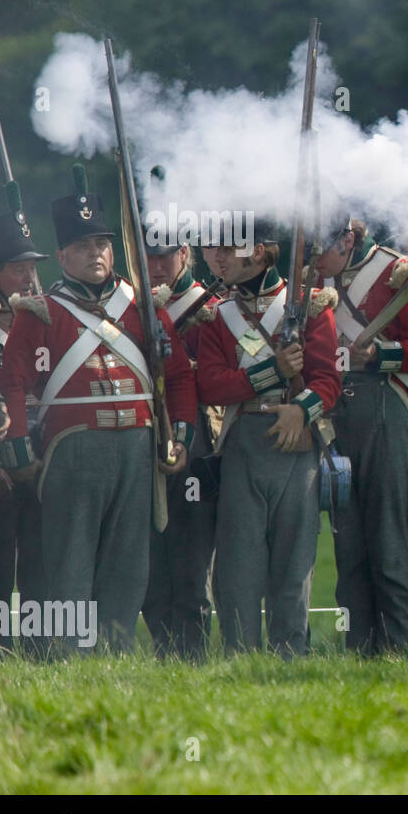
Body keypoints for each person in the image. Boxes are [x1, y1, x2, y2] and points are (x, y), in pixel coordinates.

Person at [0, 165, 195, 651]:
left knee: (129, 560)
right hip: (72, 449)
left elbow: (181, 376)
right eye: (84, 247)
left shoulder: (143, 305)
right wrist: (20, 446)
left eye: (102, 244)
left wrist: (181, 436)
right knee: (71, 560)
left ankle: (116, 651)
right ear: (62, 255)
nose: (96, 255)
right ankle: (69, 653)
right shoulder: (41, 310)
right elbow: (14, 381)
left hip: (136, 447)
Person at [197, 228, 341, 656]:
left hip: (298, 440)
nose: (217, 259)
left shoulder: (310, 304)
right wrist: (271, 372)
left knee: (295, 560)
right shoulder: (218, 315)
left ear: (257, 252)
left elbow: (329, 380)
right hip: (243, 440)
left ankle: (291, 654)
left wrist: (301, 410)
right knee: (239, 560)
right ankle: (238, 654)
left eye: (227, 250)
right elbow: (211, 385)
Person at [310, 218, 408, 655]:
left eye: (320, 249)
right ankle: (359, 650)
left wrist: (381, 354)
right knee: (349, 548)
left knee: (388, 544)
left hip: (387, 408)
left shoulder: (399, 272)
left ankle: (400, 650)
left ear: (347, 239)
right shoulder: (313, 278)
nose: (313, 260)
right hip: (336, 414)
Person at [142, 235, 221, 659]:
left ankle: (192, 653)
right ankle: (163, 650)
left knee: (191, 558)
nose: (156, 265)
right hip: (144, 439)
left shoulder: (211, 306)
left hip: (198, 440)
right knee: (154, 558)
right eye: (149, 256)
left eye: (165, 255)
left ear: (184, 254)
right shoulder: (132, 307)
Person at [0, 197, 47, 653]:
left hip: (43, 459)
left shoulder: (48, 323)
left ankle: (39, 648)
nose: (29, 279)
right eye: (16, 269)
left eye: (31, 268)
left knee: (40, 562)